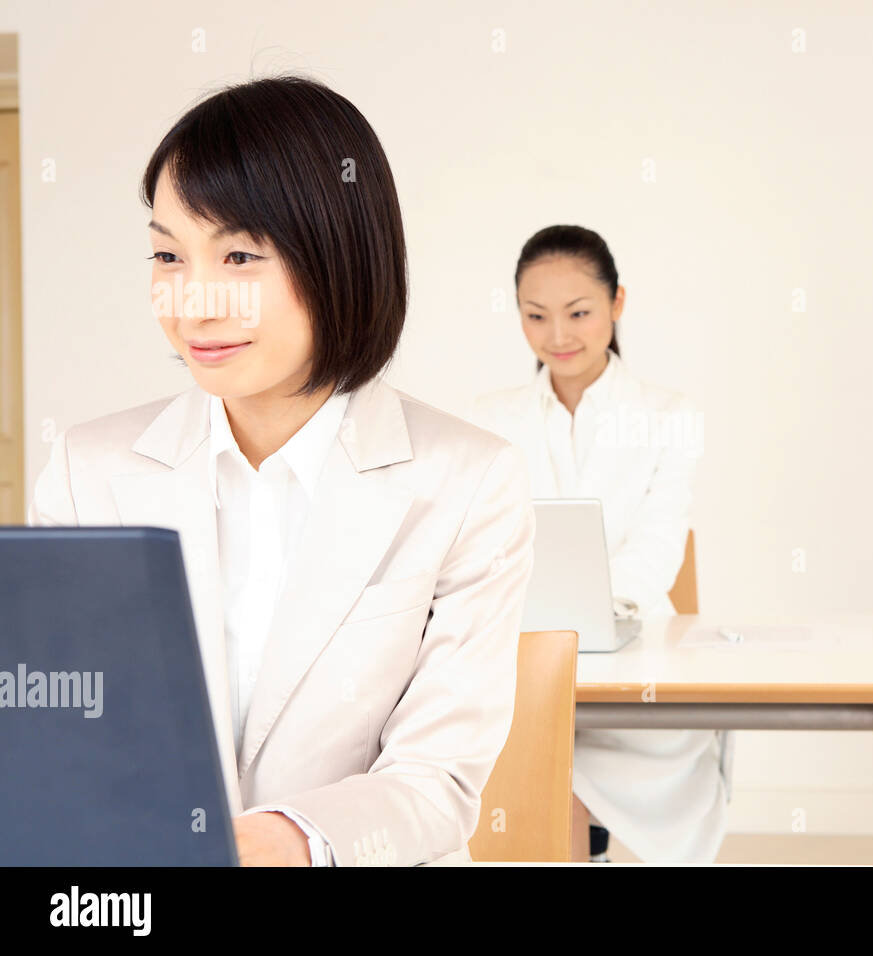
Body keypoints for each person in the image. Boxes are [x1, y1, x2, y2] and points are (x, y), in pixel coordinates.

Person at [27, 75, 535, 866]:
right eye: (167, 253)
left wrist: (259, 846)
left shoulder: (469, 483)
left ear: (339, 255)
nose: (192, 303)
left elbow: (434, 781)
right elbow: (59, 736)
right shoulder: (86, 473)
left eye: (237, 255)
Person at [471, 225, 726, 863]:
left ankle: (589, 842)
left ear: (617, 304)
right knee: (511, 738)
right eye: (537, 316)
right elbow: (479, 543)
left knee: (591, 753)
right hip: (523, 660)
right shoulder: (489, 420)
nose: (558, 336)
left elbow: (659, 541)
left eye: (579, 313)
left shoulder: (669, 415)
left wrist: (605, 616)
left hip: (637, 666)